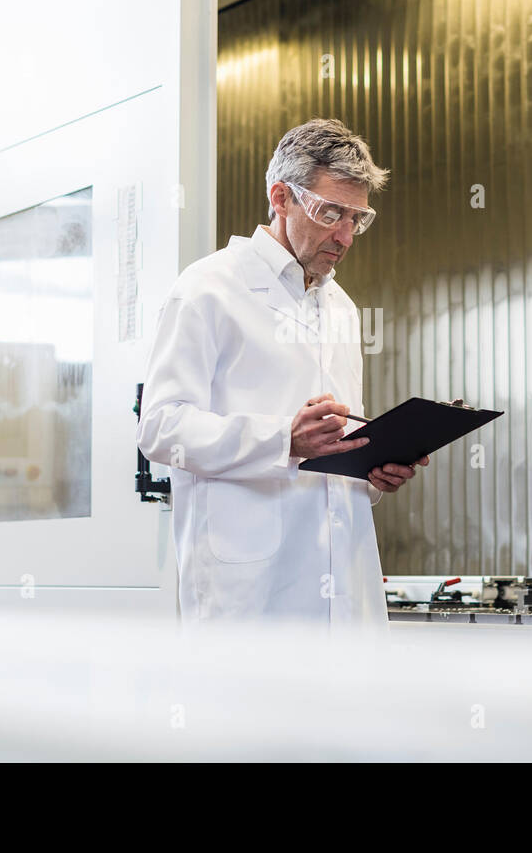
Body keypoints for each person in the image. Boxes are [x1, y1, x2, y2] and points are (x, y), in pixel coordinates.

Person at [137, 118, 426, 626]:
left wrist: (373, 470)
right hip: (249, 595)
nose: (345, 235)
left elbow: (334, 443)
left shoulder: (340, 307)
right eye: (330, 211)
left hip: (345, 589)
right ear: (281, 197)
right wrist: (283, 441)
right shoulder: (208, 289)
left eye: (356, 218)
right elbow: (161, 428)